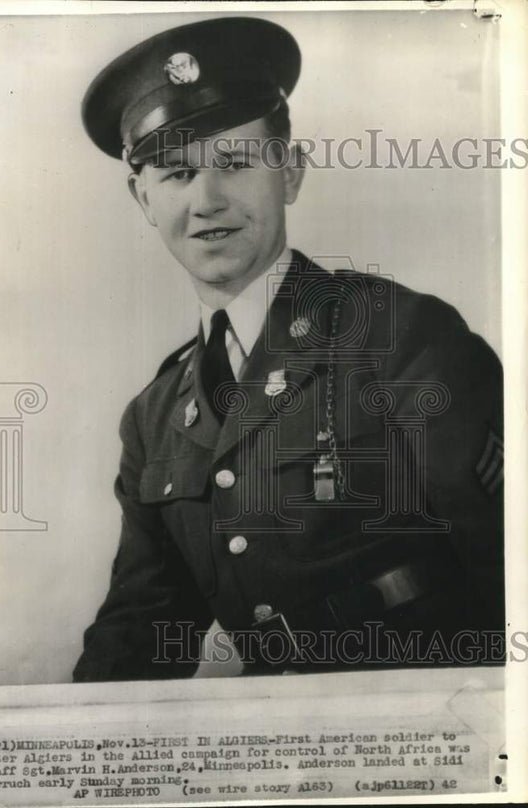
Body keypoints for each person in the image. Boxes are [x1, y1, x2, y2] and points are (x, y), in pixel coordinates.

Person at [73, 16, 504, 681]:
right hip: (272, 728)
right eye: (178, 174)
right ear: (143, 200)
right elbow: (135, 638)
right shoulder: (154, 419)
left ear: (291, 173)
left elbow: (509, 563)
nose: (207, 201)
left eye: (235, 164)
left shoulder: (399, 336)